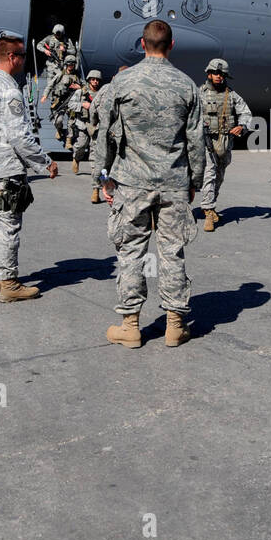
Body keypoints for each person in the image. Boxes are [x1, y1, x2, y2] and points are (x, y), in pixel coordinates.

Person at [96, 20, 204, 348]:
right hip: (173, 182)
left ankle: (130, 325)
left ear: (142, 45)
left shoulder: (123, 82)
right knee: (171, 251)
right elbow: (197, 141)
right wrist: (194, 181)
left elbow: (105, 133)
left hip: (131, 182)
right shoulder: (187, 86)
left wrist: (102, 177)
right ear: (172, 45)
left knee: (131, 251)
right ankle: (174, 325)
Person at [0, 33, 58, 302]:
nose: (25, 62)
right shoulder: (8, 90)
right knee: (7, 225)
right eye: (23, 57)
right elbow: (19, 136)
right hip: (5, 171)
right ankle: (9, 283)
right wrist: (44, 162)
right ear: (12, 57)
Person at [199, 58, 253, 232]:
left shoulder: (232, 94)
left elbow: (246, 113)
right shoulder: (200, 93)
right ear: (209, 73)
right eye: (216, 73)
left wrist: (242, 126)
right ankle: (208, 211)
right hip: (207, 141)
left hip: (226, 141)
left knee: (219, 176)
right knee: (209, 174)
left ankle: (211, 206)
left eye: (222, 74)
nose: (219, 77)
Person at [88, 65, 128, 204]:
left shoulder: (105, 89)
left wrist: (94, 122)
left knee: (101, 161)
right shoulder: (130, 90)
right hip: (122, 133)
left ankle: (96, 189)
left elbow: (93, 108)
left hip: (104, 131)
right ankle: (116, 191)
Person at [68, 69, 103, 175]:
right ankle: (76, 159)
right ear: (89, 80)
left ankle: (94, 171)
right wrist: (82, 105)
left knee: (94, 148)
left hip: (95, 125)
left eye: (97, 80)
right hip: (83, 123)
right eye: (93, 79)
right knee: (81, 145)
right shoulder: (81, 92)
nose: (95, 81)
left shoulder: (102, 93)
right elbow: (70, 104)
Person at [45, 56, 82, 145]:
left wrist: (80, 87)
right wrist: (45, 95)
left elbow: (85, 87)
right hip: (60, 102)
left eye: (72, 64)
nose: (70, 66)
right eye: (69, 64)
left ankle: (68, 141)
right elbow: (50, 84)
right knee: (58, 120)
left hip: (71, 101)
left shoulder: (77, 76)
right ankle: (59, 130)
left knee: (71, 122)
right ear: (66, 64)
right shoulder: (60, 74)